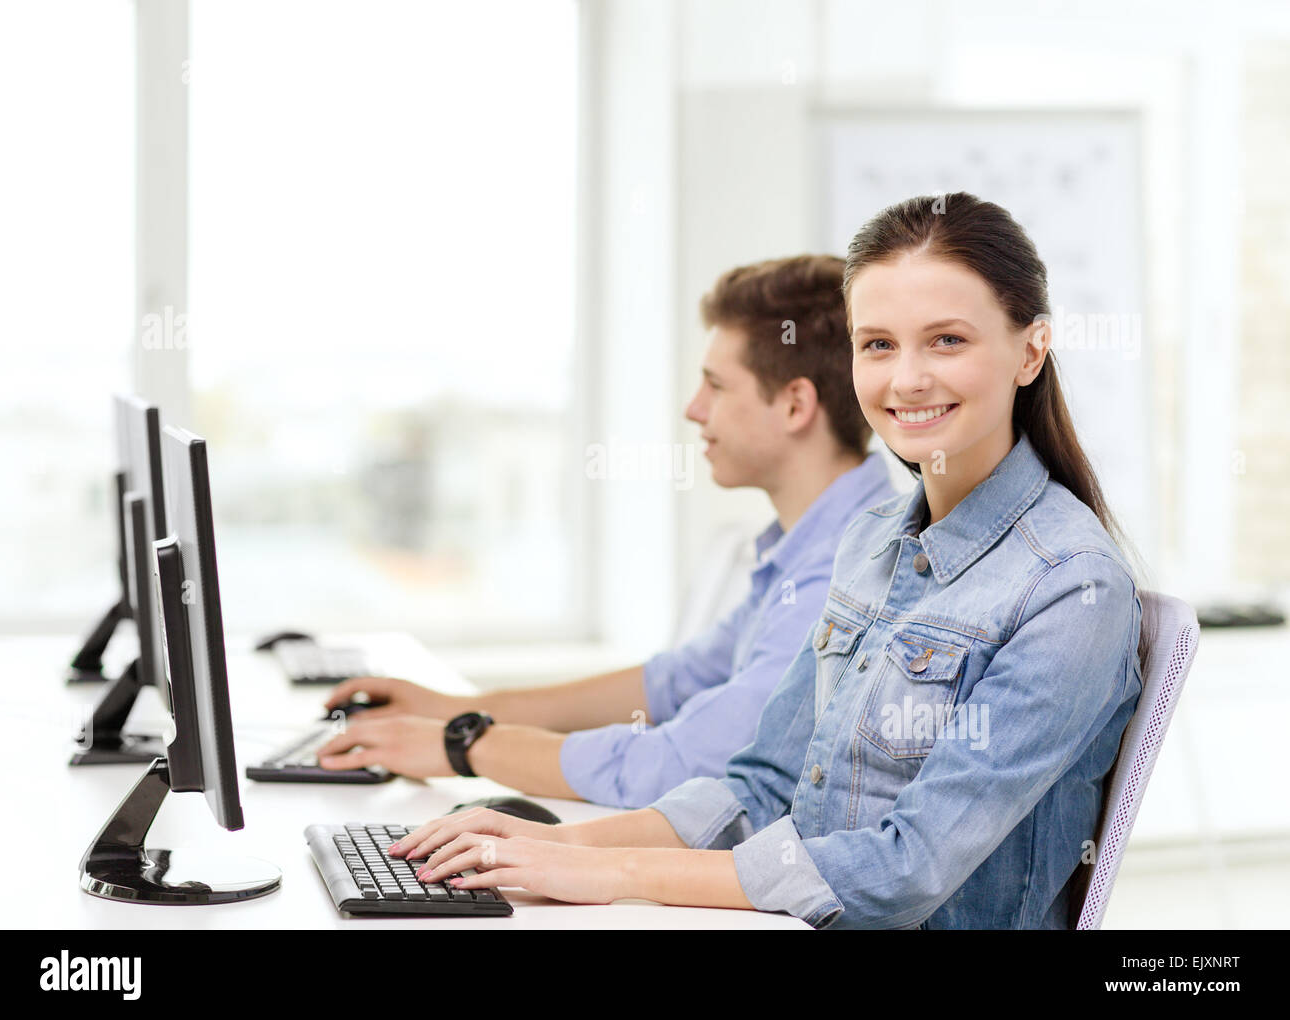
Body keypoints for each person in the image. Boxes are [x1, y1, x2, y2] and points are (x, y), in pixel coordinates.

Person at [382, 192, 1147, 930]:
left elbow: (903, 870)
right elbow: (764, 782)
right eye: (877, 344)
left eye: (947, 340)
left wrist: (611, 873)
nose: (906, 378)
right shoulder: (873, 538)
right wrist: (557, 845)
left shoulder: (1071, 587)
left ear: (1030, 350)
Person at [316, 254, 895, 808]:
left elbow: (683, 760)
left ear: (795, 405)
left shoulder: (845, 573)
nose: (693, 409)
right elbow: (673, 682)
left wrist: (462, 744)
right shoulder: (810, 545)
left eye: (715, 386)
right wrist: (462, 708)